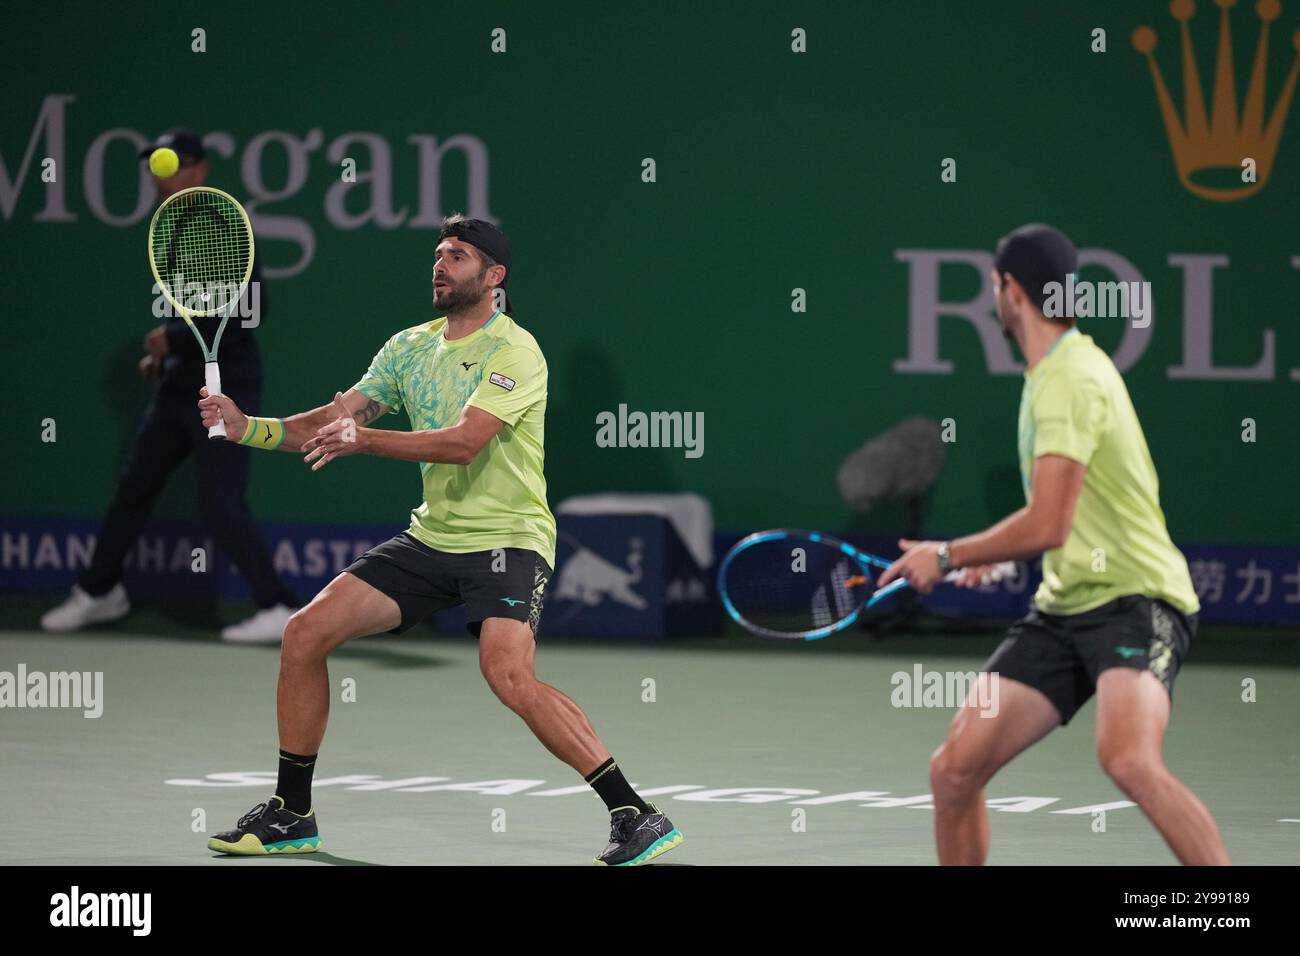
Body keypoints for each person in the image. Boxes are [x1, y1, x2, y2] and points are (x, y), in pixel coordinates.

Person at [196, 215, 684, 866]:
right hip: (433, 538)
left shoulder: (515, 351)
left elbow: (463, 443)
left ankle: (635, 813)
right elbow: (336, 419)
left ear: (494, 275)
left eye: (457, 255)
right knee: (304, 634)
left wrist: (364, 440)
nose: (440, 264)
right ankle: (291, 811)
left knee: (507, 674)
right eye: (438, 253)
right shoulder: (408, 348)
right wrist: (248, 427)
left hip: (508, 539)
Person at [878, 223, 1229, 866]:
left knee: (1128, 758)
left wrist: (948, 555)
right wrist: (998, 557)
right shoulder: (1050, 374)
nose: (993, 295)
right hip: (1066, 608)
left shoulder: (1071, 377)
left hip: (1138, 600)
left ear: (1010, 289)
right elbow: (1067, 515)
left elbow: (1048, 524)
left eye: (994, 284)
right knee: (954, 771)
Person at [41, 128, 298, 643]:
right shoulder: (172, 226)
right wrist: (167, 356)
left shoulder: (222, 223)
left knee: (220, 502)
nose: (161, 177)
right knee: (134, 488)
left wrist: (173, 337)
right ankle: (98, 590)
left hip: (228, 385)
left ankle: (278, 605)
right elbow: (194, 313)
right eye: (158, 167)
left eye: (174, 164)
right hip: (180, 385)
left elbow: (253, 309)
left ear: (200, 169)